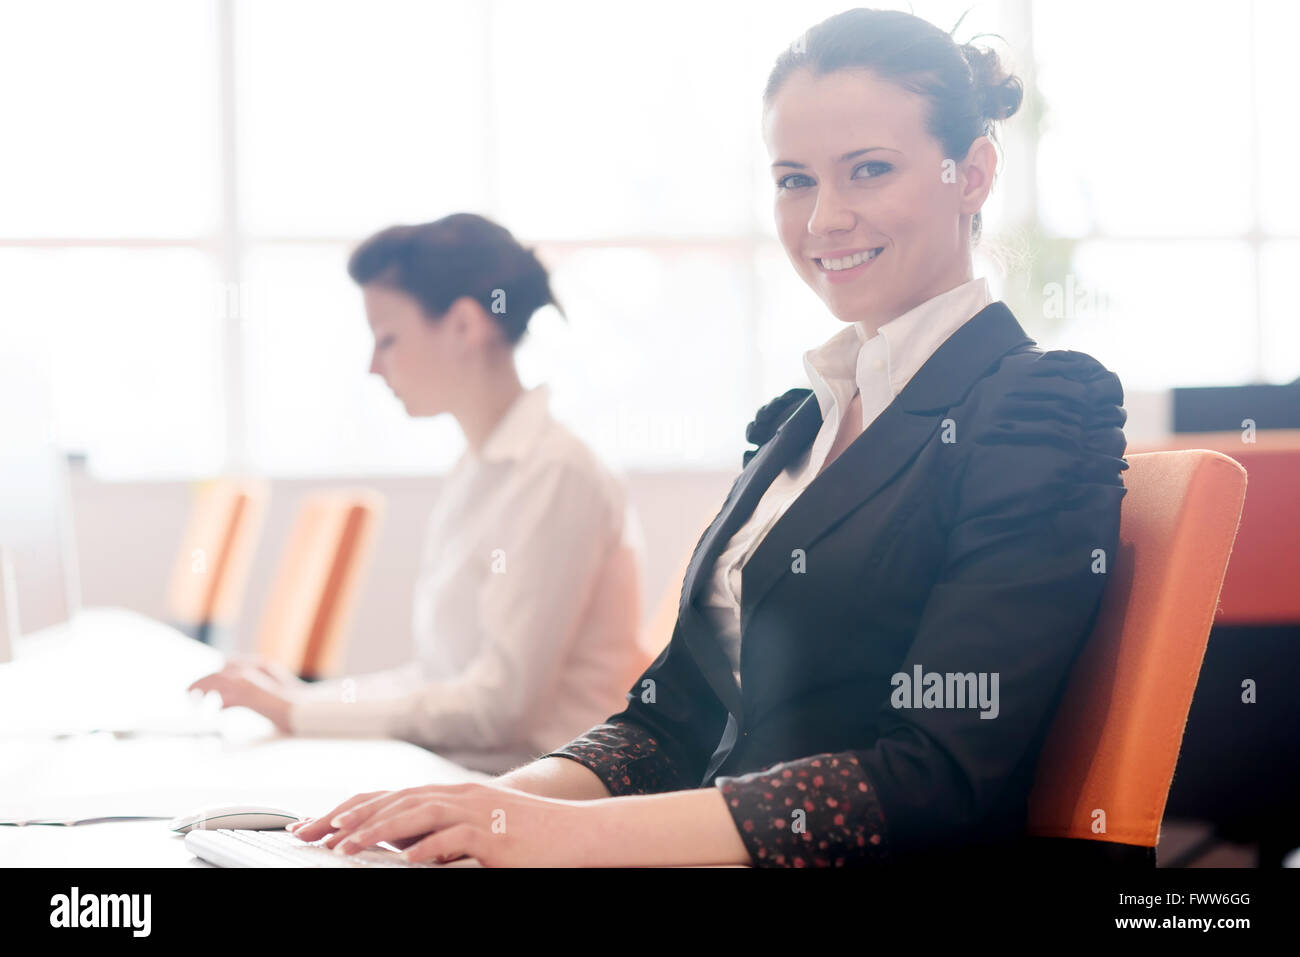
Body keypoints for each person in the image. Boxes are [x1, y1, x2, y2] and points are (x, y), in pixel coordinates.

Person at [288, 8, 1129, 865]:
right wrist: (476, 806)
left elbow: (937, 779)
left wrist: (557, 833)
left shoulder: (1037, 408)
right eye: (794, 179)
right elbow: (667, 722)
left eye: (868, 170)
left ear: (974, 173)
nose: (823, 217)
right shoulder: (798, 426)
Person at [188, 214, 644, 774]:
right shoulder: (479, 468)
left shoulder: (557, 473)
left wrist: (300, 711)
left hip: (532, 795)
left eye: (388, 339)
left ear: (463, 326)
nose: (374, 366)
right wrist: (304, 701)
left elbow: (499, 709)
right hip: (467, 772)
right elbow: (439, 679)